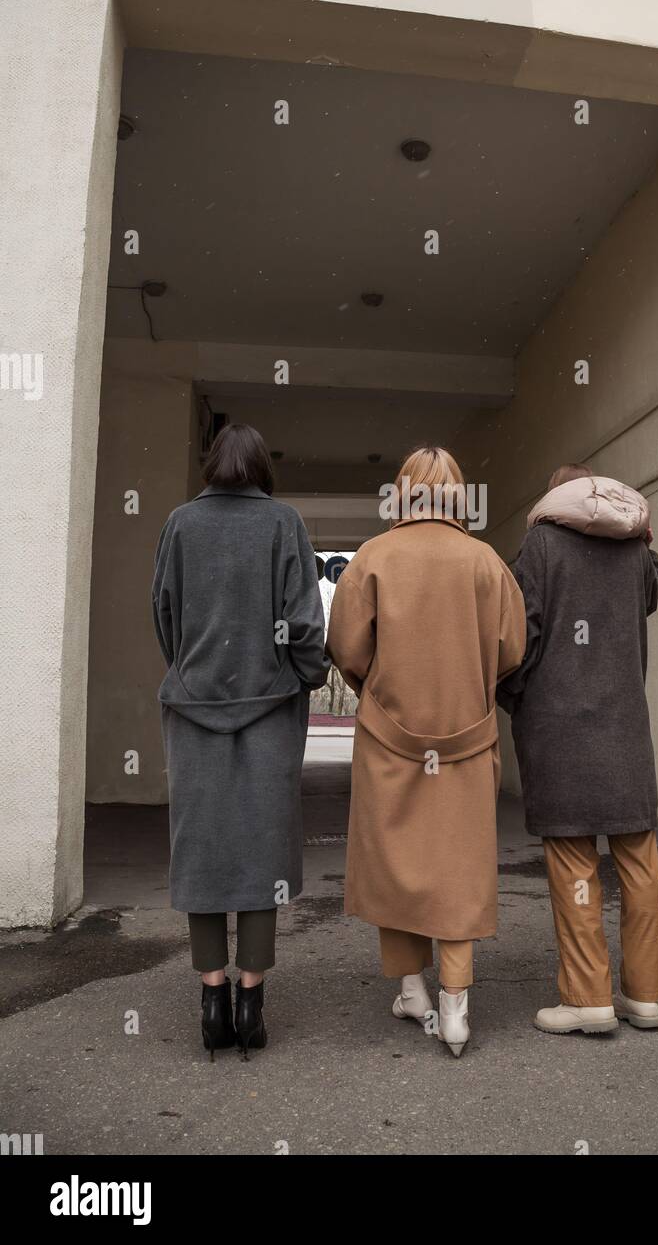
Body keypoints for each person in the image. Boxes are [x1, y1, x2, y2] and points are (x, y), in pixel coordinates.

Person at [326, 446, 526, 1056]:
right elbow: (513, 649)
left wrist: (377, 694)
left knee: (396, 861)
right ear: (459, 495)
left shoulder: (373, 557)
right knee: (458, 866)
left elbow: (346, 648)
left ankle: (412, 987)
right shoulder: (486, 562)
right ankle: (456, 1003)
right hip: (468, 741)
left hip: (389, 738)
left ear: (403, 491)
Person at [152, 423, 329, 1059]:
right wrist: (304, 675)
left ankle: (210, 997)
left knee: (200, 847)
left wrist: (195, 672)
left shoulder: (179, 525)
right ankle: (250, 999)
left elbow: (165, 613)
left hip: (193, 710)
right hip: (270, 714)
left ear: (211, 466)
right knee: (262, 849)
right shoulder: (283, 523)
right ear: (261, 467)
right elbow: (305, 624)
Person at [497, 463, 658, 1035]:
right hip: (626, 726)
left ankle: (587, 997)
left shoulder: (542, 544)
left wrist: (513, 696)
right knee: (639, 861)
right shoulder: (638, 551)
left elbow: (521, 634)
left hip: (560, 728)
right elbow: (651, 595)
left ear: (555, 497)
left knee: (574, 861)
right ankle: (644, 996)